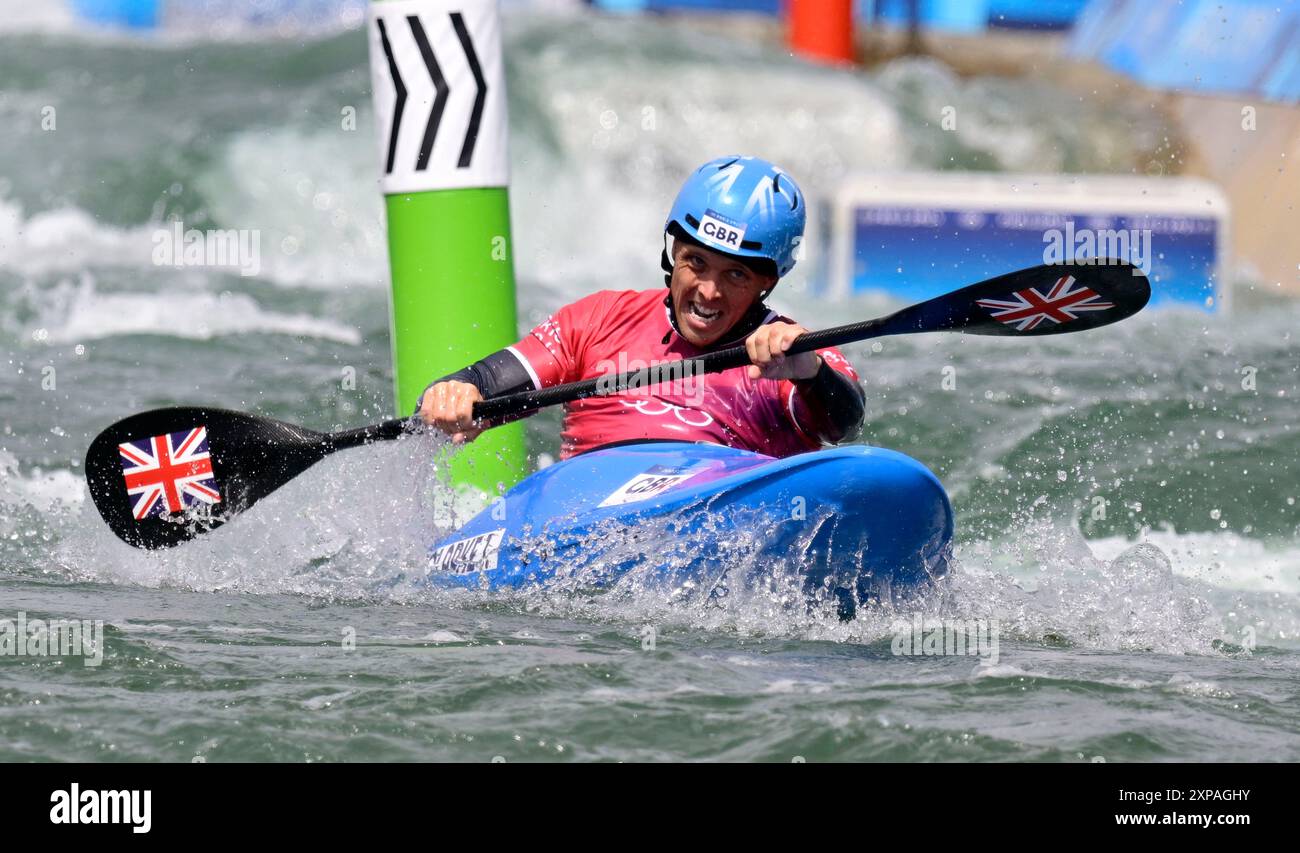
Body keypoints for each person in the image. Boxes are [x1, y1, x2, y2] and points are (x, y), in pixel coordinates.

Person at [418, 155, 865, 459]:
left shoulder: (792, 353)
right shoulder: (597, 319)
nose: (708, 292)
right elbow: (491, 380)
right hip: (582, 515)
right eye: (696, 262)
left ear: (768, 281)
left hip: (718, 517)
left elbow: (843, 424)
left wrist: (809, 373)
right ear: (673, 253)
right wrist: (455, 393)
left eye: (736, 275)